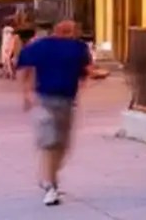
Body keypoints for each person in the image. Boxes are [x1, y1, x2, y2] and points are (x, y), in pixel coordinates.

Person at [16, 20, 92, 207]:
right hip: (55, 101)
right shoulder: (77, 48)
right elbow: (87, 71)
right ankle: (51, 185)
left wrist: (26, 93)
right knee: (55, 144)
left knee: (55, 144)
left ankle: (49, 178)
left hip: (50, 100)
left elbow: (23, 67)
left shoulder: (41, 46)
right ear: (71, 31)